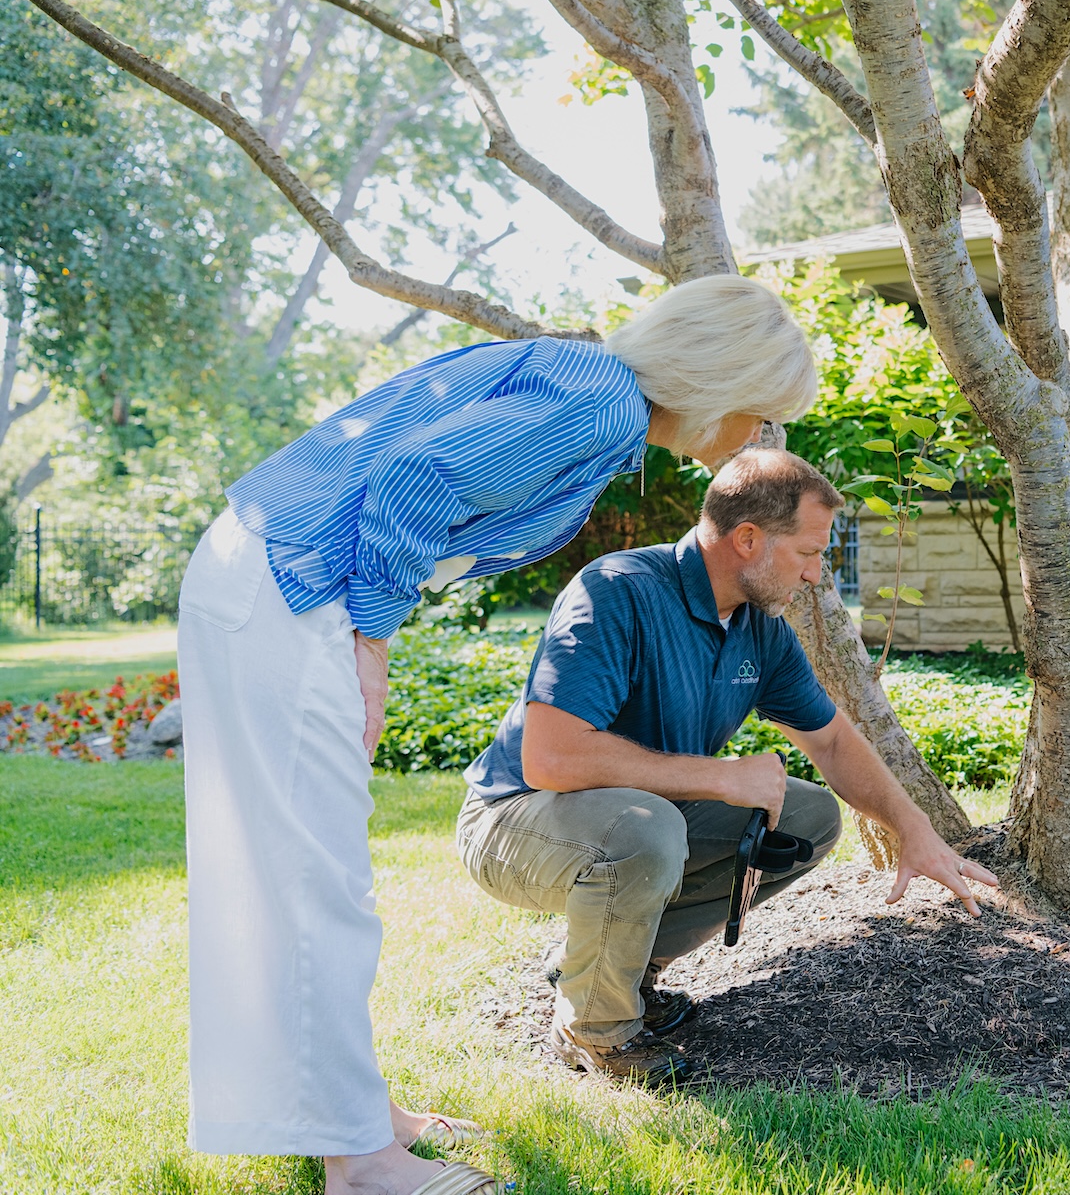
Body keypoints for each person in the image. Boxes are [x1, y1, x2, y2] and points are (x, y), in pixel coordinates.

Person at [176, 277, 818, 1195]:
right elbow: (418, 479)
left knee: (297, 871)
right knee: (316, 880)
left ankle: (348, 1116)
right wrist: (370, 638)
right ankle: (361, 1164)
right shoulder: (602, 404)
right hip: (296, 593)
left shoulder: (590, 386)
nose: (754, 441)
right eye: (759, 416)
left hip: (269, 572)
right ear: (720, 382)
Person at [455, 449, 998, 1078]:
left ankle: (619, 969)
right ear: (748, 539)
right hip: (513, 821)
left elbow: (831, 742)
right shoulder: (616, 592)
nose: (816, 576)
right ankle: (596, 1031)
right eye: (809, 553)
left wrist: (914, 829)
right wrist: (720, 776)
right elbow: (551, 757)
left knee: (806, 817)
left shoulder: (758, 628)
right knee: (646, 830)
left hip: (634, 815)